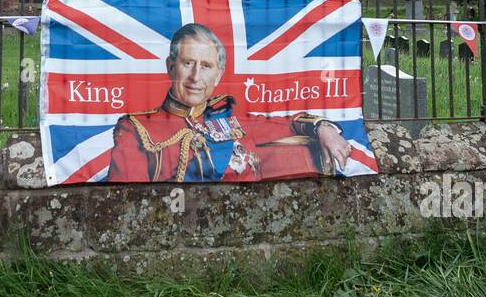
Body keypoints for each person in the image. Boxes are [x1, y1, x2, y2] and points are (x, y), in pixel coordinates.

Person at [107, 23, 352, 182]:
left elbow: (286, 124)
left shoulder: (227, 117)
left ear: (217, 75)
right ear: (171, 67)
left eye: (206, 66)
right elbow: (128, 199)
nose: (195, 77)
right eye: (188, 63)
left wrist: (323, 128)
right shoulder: (136, 128)